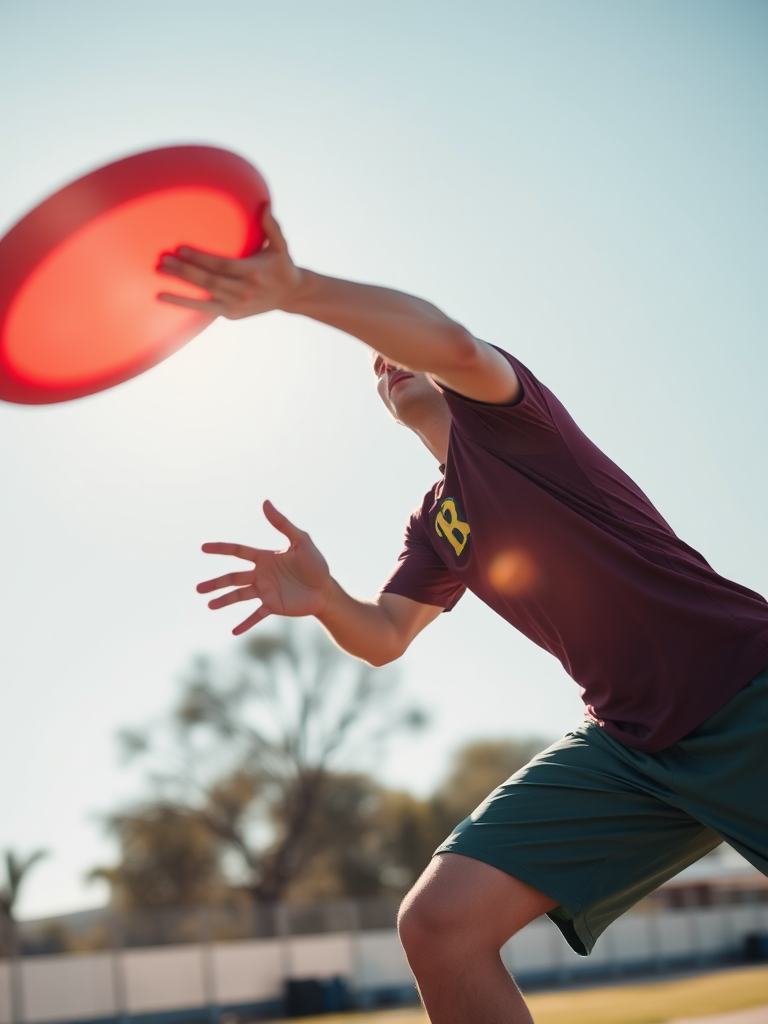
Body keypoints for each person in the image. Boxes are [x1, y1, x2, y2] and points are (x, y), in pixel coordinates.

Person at [158, 210, 768, 1024]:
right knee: (438, 926)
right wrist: (327, 599)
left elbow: (447, 344)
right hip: (631, 743)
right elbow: (384, 635)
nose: (389, 365)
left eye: (395, 352)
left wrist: (298, 291)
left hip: (745, 694)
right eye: (378, 371)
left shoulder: (512, 421)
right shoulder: (438, 523)